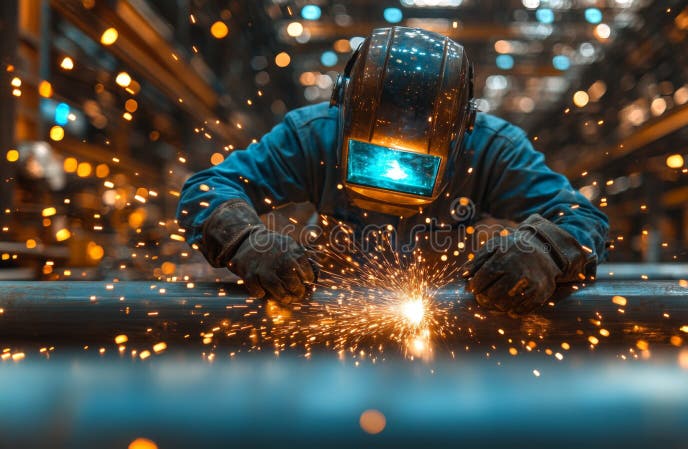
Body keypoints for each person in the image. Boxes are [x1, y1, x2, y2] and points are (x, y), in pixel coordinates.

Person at [176, 26, 608, 314]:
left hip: (448, 314)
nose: (394, 175)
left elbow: (583, 219)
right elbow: (207, 189)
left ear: (462, 130)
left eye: (415, 164)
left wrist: (546, 249)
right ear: (344, 112)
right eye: (372, 157)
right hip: (331, 311)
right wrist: (245, 240)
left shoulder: (494, 149)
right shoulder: (313, 136)